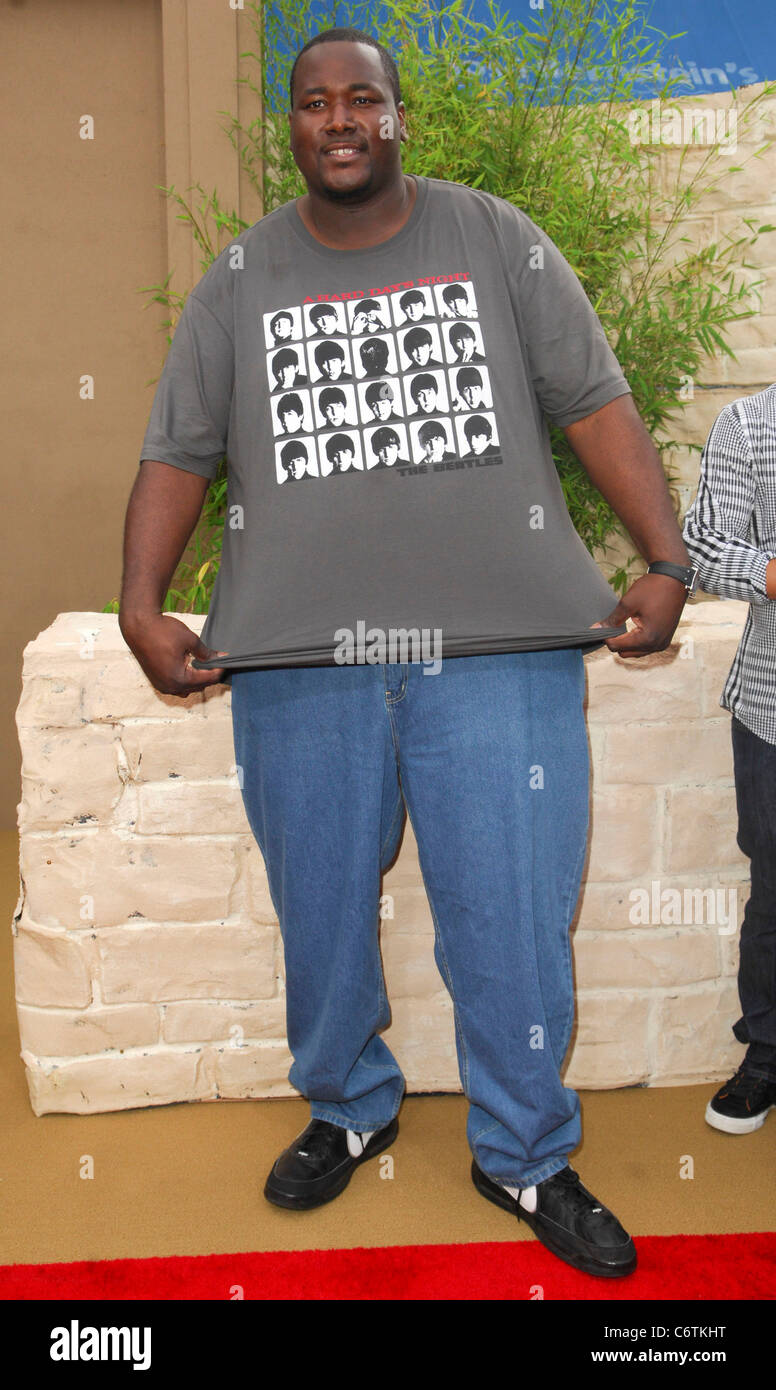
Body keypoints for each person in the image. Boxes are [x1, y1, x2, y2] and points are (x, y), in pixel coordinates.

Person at [119, 27, 695, 1280]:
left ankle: (525, 1151)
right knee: (320, 909)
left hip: (496, 652)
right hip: (297, 664)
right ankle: (348, 1103)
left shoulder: (496, 239)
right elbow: (177, 450)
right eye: (315, 102)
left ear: (398, 118)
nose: (339, 119)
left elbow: (594, 401)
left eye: (362, 99)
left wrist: (663, 559)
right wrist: (138, 600)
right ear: (293, 126)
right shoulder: (237, 277)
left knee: (513, 915)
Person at [682, 386, 776, 1133]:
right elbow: (704, 545)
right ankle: (768, 1053)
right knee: (775, 888)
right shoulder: (749, 423)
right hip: (773, 708)